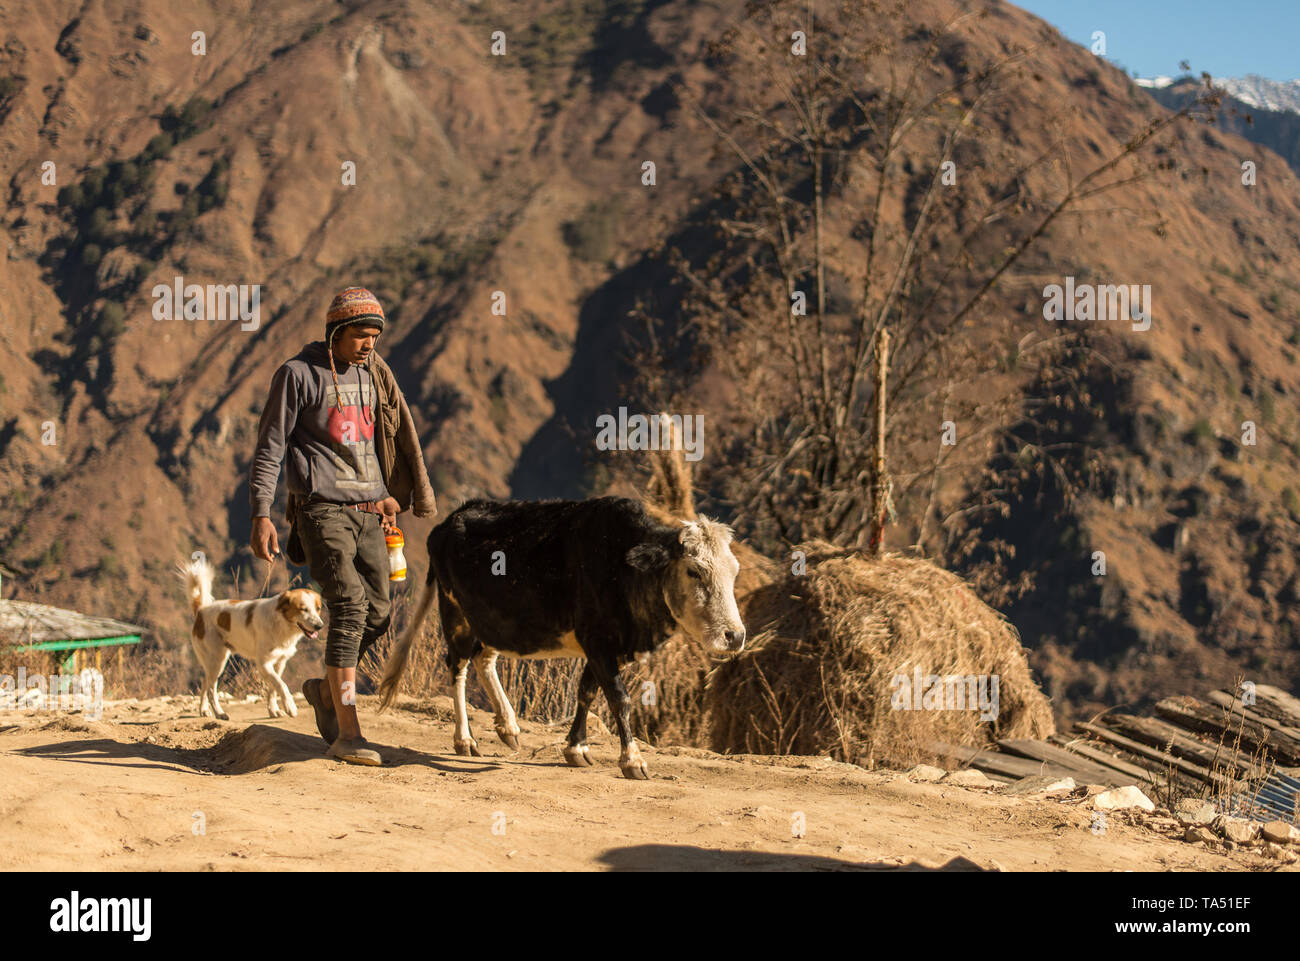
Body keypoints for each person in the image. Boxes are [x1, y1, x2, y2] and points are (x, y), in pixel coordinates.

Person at [249, 286, 437, 765]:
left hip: (371, 511)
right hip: (321, 510)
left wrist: (388, 492)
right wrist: (261, 514)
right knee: (350, 607)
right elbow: (271, 445)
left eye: (374, 335)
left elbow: (383, 439)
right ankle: (349, 733)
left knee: (377, 610)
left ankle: (325, 691)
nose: (368, 344)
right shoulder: (297, 375)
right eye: (358, 335)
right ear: (335, 332)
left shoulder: (372, 375)